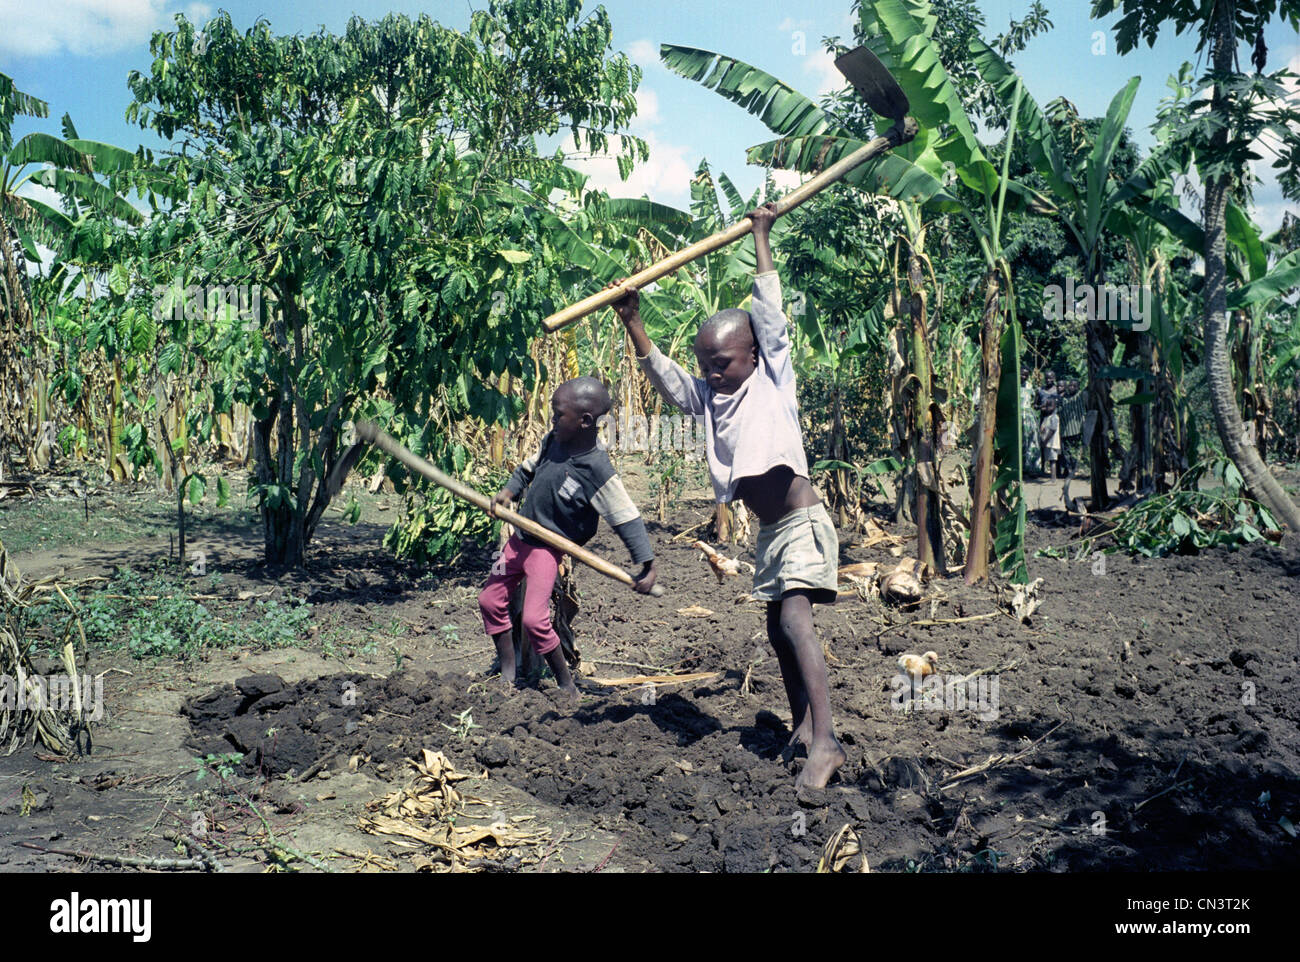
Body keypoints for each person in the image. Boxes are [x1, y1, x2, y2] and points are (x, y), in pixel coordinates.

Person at [609, 203, 845, 789]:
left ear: (753, 356)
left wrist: (761, 234)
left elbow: (770, 312)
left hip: (802, 521)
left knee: (794, 620)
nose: (711, 374)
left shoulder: (773, 378)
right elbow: (666, 379)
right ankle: (799, 725)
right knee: (776, 629)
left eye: (721, 364)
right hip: (770, 534)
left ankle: (827, 740)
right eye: (704, 366)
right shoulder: (711, 400)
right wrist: (632, 320)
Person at [479, 377, 657, 695]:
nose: (552, 419)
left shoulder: (597, 469)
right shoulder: (553, 441)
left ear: (585, 421)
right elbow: (526, 469)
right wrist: (508, 493)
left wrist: (646, 563)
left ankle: (566, 684)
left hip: (547, 551)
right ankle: (508, 672)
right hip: (519, 540)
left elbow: (625, 516)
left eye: (559, 414)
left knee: (535, 620)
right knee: (489, 600)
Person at [1039, 396, 1061, 480]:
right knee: (1047, 458)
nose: (1048, 408)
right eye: (1047, 406)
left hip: (1052, 443)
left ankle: (1053, 478)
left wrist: (1045, 441)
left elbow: (1052, 430)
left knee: (1052, 460)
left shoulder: (1054, 417)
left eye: (1050, 406)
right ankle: (1045, 473)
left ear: (1055, 406)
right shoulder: (1046, 418)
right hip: (1046, 442)